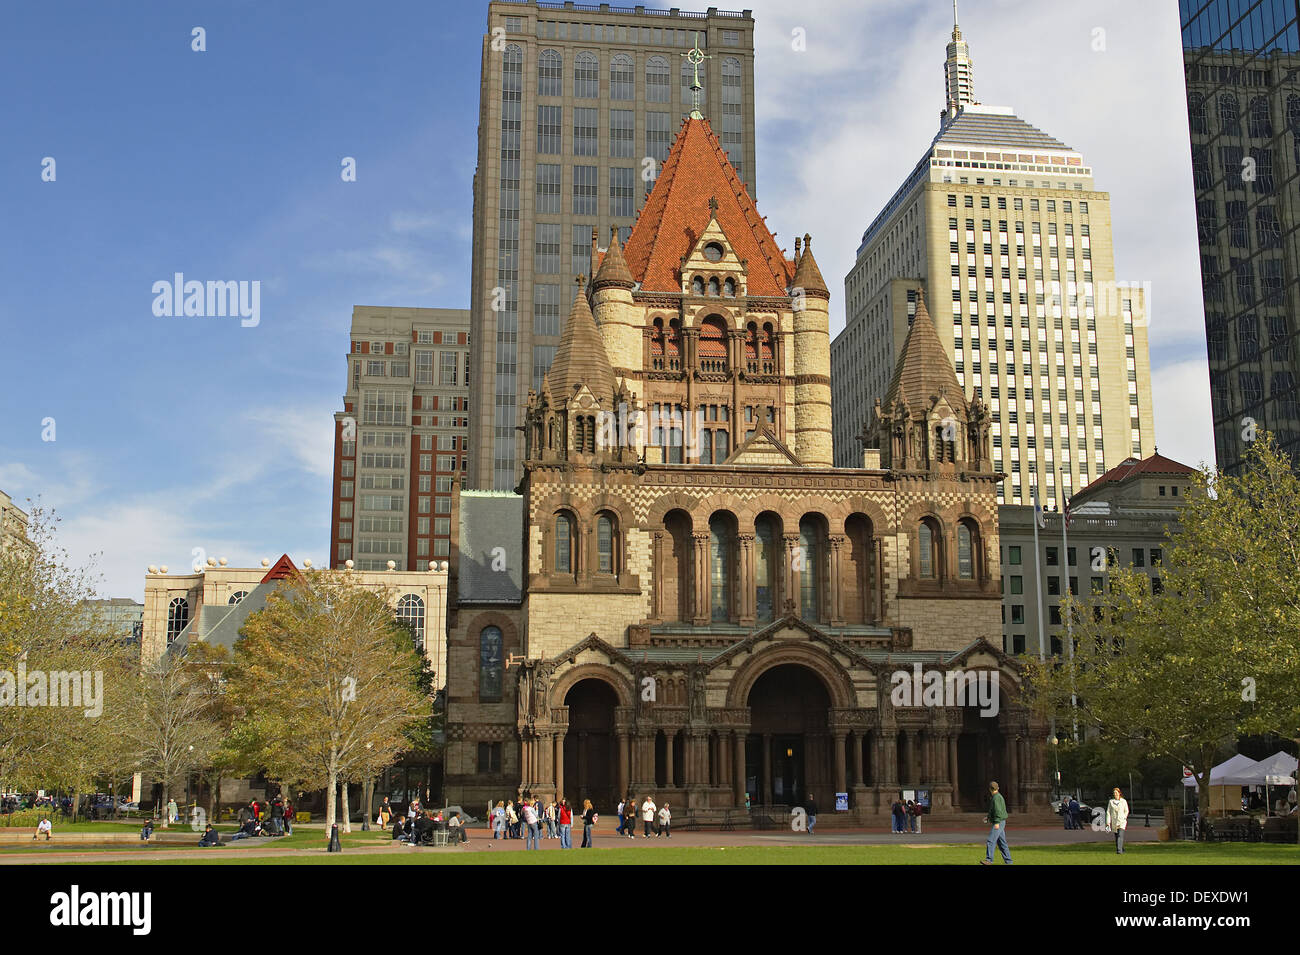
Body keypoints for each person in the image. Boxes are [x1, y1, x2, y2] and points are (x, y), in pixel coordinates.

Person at [980, 781, 1012, 865]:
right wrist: (988, 817)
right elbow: (994, 810)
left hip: (999, 822)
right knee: (1002, 843)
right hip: (1001, 821)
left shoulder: (996, 798)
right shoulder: (997, 796)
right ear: (998, 788)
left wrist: (997, 822)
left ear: (990, 789)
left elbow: (997, 811)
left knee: (991, 840)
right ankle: (1009, 861)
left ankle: (989, 860)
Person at [1106, 786, 1130, 855]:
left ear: (1119, 793)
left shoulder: (1123, 801)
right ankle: (1121, 848)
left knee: (1120, 835)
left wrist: (1124, 818)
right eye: (1114, 793)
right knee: (1117, 836)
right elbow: (1108, 812)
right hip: (1114, 822)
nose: (1115, 794)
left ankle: (1119, 851)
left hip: (1122, 821)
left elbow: (1126, 810)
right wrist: (1108, 822)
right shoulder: (1111, 802)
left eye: (1116, 793)